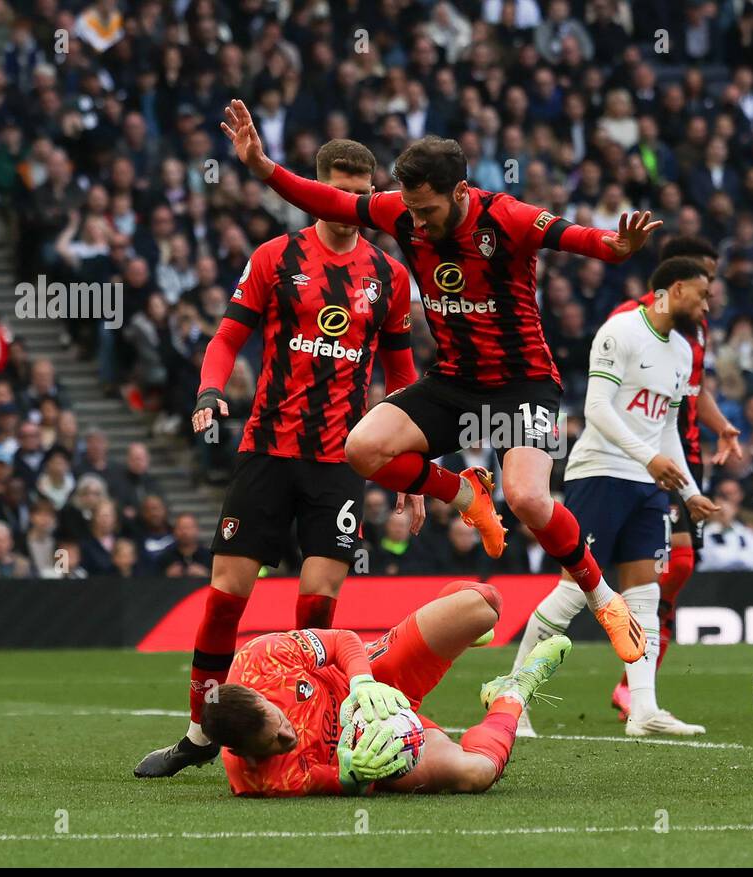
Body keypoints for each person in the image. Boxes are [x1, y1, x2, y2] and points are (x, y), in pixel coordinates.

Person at [222, 100, 658, 663]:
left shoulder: (506, 217)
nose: (416, 222)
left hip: (523, 384)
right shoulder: (401, 212)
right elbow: (326, 199)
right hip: (453, 381)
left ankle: (603, 597)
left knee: (526, 497)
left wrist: (614, 246)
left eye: (426, 209)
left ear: (458, 192)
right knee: (362, 447)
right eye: (409, 208)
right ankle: (464, 491)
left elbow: (574, 236)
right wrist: (261, 166)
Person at [135, 139, 418, 778]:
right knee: (224, 599)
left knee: (317, 607)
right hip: (266, 448)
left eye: (361, 193)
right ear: (319, 189)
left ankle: (311, 727)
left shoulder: (390, 275)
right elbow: (229, 335)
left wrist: (411, 468)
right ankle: (200, 734)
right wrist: (210, 390)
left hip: (340, 459)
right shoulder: (275, 257)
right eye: (339, 190)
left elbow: (401, 375)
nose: (349, 205)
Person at [512, 258, 718, 737]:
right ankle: (513, 695)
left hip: (649, 487)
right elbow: (596, 407)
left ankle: (643, 711)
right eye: (702, 295)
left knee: (644, 597)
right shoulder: (620, 331)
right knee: (573, 592)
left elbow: (666, 427)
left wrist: (690, 492)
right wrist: (647, 459)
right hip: (600, 474)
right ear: (677, 289)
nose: (707, 306)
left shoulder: (683, 352)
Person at [200, 581, 571, 797]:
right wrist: (354, 775)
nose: (287, 733)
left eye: (277, 720)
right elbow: (342, 782)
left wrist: (361, 682)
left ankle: (453, 630)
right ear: (241, 752)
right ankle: (513, 693)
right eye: (274, 743)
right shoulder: (263, 779)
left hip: (369, 676)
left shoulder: (262, 659)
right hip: (377, 742)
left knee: (484, 605)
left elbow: (341, 640)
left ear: (259, 695)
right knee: (475, 773)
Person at [603, 234, 743, 721]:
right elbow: (607, 395)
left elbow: (692, 392)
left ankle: (638, 684)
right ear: (676, 281)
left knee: (678, 568)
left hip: (684, 455)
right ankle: (634, 677)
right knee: (665, 567)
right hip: (641, 458)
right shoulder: (631, 319)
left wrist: (721, 425)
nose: (710, 297)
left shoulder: (695, 330)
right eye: (702, 284)